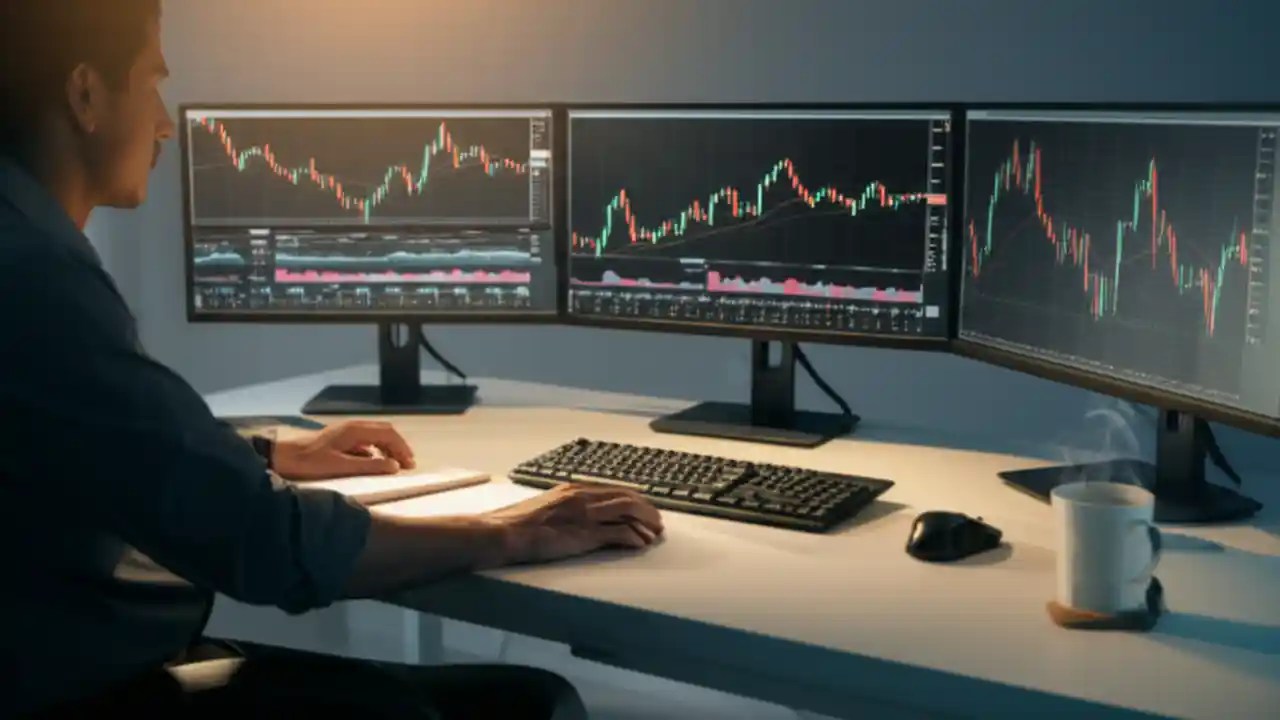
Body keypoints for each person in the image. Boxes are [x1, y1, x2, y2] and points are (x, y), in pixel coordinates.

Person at [0, 2, 664, 717]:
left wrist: (268, 453)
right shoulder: (36, 278)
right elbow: (265, 544)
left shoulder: (24, 252)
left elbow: (100, 439)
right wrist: (514, 531)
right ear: (85, 94)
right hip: (84, 690)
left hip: (57, 666)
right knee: (532, 703)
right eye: (152, 81)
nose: (164, 121)